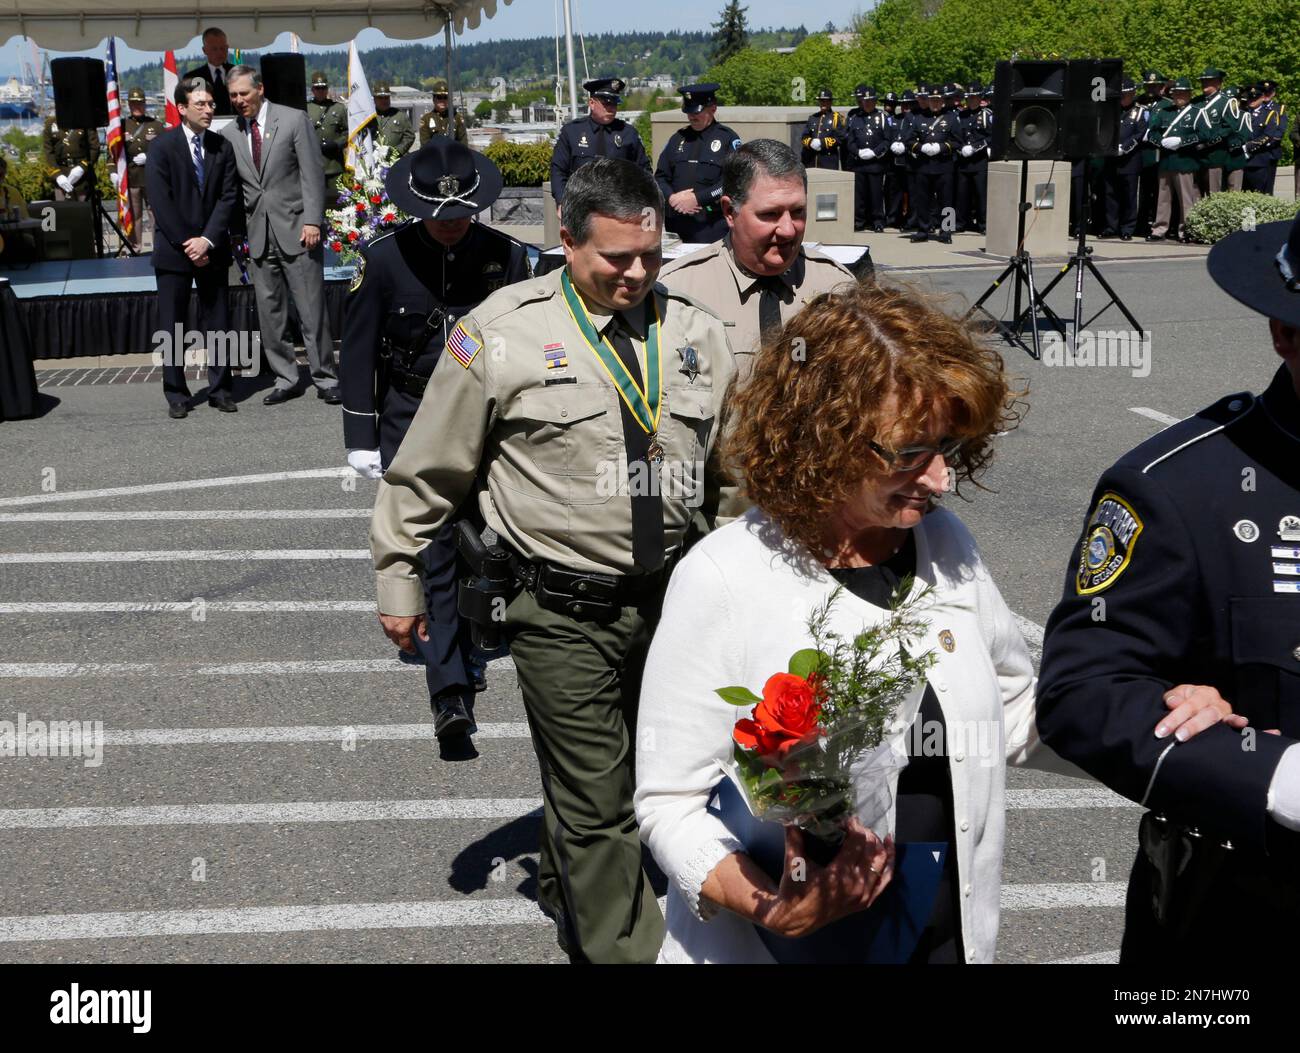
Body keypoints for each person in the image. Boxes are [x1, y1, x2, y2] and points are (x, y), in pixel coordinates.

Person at [634, 280, 1236, 964]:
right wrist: (773, 906)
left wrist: (1160, 718)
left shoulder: (945, 546)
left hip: (941, 935)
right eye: (908, 452)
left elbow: (1016, 711)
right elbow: (670, 801)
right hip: (775, 948)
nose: (941, 477)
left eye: (947, 444)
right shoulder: (724, 575)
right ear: (821, 438)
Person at [369, 157, 734, 963]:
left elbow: (730, 479)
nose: (636, 274)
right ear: (566, 241)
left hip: (674, 606)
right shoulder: (501, 332)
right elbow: (429, 468)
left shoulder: (699, 335)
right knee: (598, 801)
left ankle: (574, 889)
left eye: (651, 256)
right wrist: (399, 576)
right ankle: (630, 953)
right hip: (559, 610)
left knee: (661, 783)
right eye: (615, 259)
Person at [1037, 210, 1300, 963]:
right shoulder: (1180, 487)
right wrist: (1269, 772)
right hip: (1241, 910)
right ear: (1284, 332)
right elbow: (1083, 689)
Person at [341, 136, 531, 742]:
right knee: (437, 547)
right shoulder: (385, 259)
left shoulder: (507, 258)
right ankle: (449, 691)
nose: (450, 229)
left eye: (461, 217)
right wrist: (359, 432)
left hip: (486, 417)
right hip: (411, 418)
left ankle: (483, 632)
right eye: (438, 217)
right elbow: (359, 351)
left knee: (490, 538)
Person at [659, 138, 855, 388]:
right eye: (769, 214)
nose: (787, 230)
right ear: (730, 212)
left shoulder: (838, 287)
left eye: (797, 212)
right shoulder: (676, 294)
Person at [221, 65, 340, 405]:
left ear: (260, 89)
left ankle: (325, 377)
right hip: (258, 235)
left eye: (244, 93)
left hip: (299, 230)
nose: (239, 100)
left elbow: (312, 174)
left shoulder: (292, 120)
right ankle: (285, 378)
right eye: (233, 95)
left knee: (310, 308)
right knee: (270, 312)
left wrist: (313, 221)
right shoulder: (230, 133)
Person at [146, 78, 239, 418]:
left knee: (218, 323)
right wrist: (189, 243)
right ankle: (176, 393)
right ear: (182, 109)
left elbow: (228, 197)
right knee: (174, 325)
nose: (208, 109)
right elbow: (160, 199)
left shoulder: (221, 146)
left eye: (211, 104)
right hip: (175, 251)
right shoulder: (162, 147)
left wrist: (207, 240)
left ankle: (220, 389)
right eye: (199, 104)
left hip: (212, 249)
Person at [653, 82, 740, 244]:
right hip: (676, 226)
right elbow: (660, 177)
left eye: (697, 112)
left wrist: (698, 199)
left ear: (712, 108)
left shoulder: (727, 138)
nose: (692, 116)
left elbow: (732, 181)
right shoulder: (677, 138)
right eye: (689, 111)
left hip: (711, 226)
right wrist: (671, 198)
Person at [549, 77, 650, 207]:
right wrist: (562, 202)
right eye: (606, 103)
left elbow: (644, 172)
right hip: (580, 207)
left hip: (619, 207)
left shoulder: (628, 133)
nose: (611, 108)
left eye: (614, 104)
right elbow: (558, 171)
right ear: (591, 103)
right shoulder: (572, 132)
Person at [1146, 78, 1200, 243]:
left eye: (1183, 93)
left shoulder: (1196, 112)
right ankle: (1159, 229)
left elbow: (1204, 134)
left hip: (1185, 161)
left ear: (1189, 94)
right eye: (1176, 93)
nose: (1179, 96)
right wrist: (1160, 142)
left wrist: (1181, 142)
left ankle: (1186, 231)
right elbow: (1152, 133)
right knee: (1163, 198)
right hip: (1166, 160)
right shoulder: (1165, 112)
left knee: (1186, 199)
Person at [908, 84, 962, 243]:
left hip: (944, 165)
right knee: (922, 200)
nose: (935, 103)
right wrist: (920, 147)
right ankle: (923, 229)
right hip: (924, 166)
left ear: (943, 101)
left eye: (938, 100)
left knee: (947, 201)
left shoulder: (951, 118)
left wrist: (942, 147)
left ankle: (946, 231)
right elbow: (909, 140)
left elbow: (958, 141)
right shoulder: (919, 118)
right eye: (932, 100)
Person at [1100, 79, 1147, 241]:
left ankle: (1127, 228)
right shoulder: (1111, 110)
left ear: (1133, 94)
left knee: (1129, 195)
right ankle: (1110, 226)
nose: (1122, 98)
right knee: (1110, 194)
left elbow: (1139, 134)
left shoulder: (1141, 111)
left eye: (1126, 95)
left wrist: (1124, 148)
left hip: (1130, 160)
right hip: (1111, 159)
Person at [1194, 66, 1250, 194]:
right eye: (1203, 81)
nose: (1204, 84)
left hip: (1215, 155)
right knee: (1196, 193)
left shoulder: (1226, 102)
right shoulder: (1196, 102)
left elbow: (1228, 127)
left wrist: (1207, 143)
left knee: (1213, 192)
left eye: (1208, 81)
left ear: (1219, 83)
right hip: (1196, 156)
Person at [844, 85, 892, 233]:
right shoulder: (854, 118)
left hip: (875, 163)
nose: (866, 103)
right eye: (864, 101)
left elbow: (887, 140)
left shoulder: (882, 117)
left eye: (870, 101)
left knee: (876, 194)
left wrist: (875, 152)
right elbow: (849, 140)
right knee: (859, 195)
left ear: (874, 101)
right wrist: (857, 152)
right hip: (858, 163)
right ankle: (859, 221)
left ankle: (877, 221)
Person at [122, 87, 165, 251]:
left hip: (151, 177)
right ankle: (135, 246)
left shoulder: (156, 125)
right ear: (129, 105)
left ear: (145, 104)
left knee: (155, 214)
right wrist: (114, 172)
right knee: (134, 214)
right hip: (132, 178)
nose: (137, 107)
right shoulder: (122, 125)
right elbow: (116, 152)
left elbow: (164, 151)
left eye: (139, 103)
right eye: (133, 104)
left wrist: (149, 157)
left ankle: (159, 246)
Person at [1136, 71, 1172, 236]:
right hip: (1139, 152)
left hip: (1157, 152)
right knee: (1141, 192)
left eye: (1154, 86)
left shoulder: (1167, 105)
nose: (1150, 89)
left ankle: (1157, 224)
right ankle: (1140, 223)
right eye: (1148, 85)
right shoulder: (1139, 102)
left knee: (1158, 192)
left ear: (1161, 86)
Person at [954, 83, 991, 235]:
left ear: (980, 98)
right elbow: (955, 136)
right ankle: (961, 222)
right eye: (969, 98)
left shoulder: (986, 115)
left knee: (981, 194)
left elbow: (991, 137)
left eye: (974, 98)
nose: (971, 101)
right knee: (962, 194)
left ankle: (983, 224)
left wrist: (975, 148)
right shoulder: (961, 115)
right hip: (963, 161)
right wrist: (960, 148)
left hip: (979, 161)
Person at [307, 71, 348, 206]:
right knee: (315, 203)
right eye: (318, 88)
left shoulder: (339, 108)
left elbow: (348, 132)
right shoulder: (305, 109)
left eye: (323, 88)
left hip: (334, 165)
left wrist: (337, 144)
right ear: (312, 89)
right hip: (313, 165)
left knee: (337, 202)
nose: (321, 91)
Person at [1240, 80, 1288, 194]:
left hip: (1264, 155)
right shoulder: (1244, 112)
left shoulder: (1273, 112)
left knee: (1263, 191)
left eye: (1255, 98)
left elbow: (1275, 133)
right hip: (1244, 159)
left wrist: (1249, 147)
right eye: (1250, 98)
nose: (1251, 100)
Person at [43, 115, 99, 202]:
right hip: (61, 178)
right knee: (64, 212)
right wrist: (57, 175)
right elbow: (48, 153)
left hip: (83, 178)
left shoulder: (85, 121)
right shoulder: (50, 124)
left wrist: (82, 167)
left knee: (85, 212)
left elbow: (94, 148)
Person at [182, 27, 234, 117]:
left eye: (222, 48)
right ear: (204, 50)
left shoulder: (238, 73)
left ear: (227, 48)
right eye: (214, 49)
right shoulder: (193, 77)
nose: (219, 53)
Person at [800, 89, 845, 171]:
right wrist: (810, 142)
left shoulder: (836, 118)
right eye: (821, 101)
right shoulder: (813, 118)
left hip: (828, 161)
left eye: (826, 101)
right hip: (811, 161)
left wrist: (822, 142)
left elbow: (840, 138)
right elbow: (804, 137)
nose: (823, 103)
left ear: (831, 102)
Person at [417, 81, 468, 146]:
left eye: (445, 97)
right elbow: (425, 144)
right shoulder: (426, 119)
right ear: (434, 99)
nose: (442, 100)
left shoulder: (457, 117)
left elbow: (463, 142)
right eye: (439, 97)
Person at [373, 83, 415, 157]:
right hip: (373, 159)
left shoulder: (400, 116)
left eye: (386, 97)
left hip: (395, 159)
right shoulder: (368, 117)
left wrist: (396, 151)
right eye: (380, 98)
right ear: (374, 98)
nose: (384, 101)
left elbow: (410, 136)